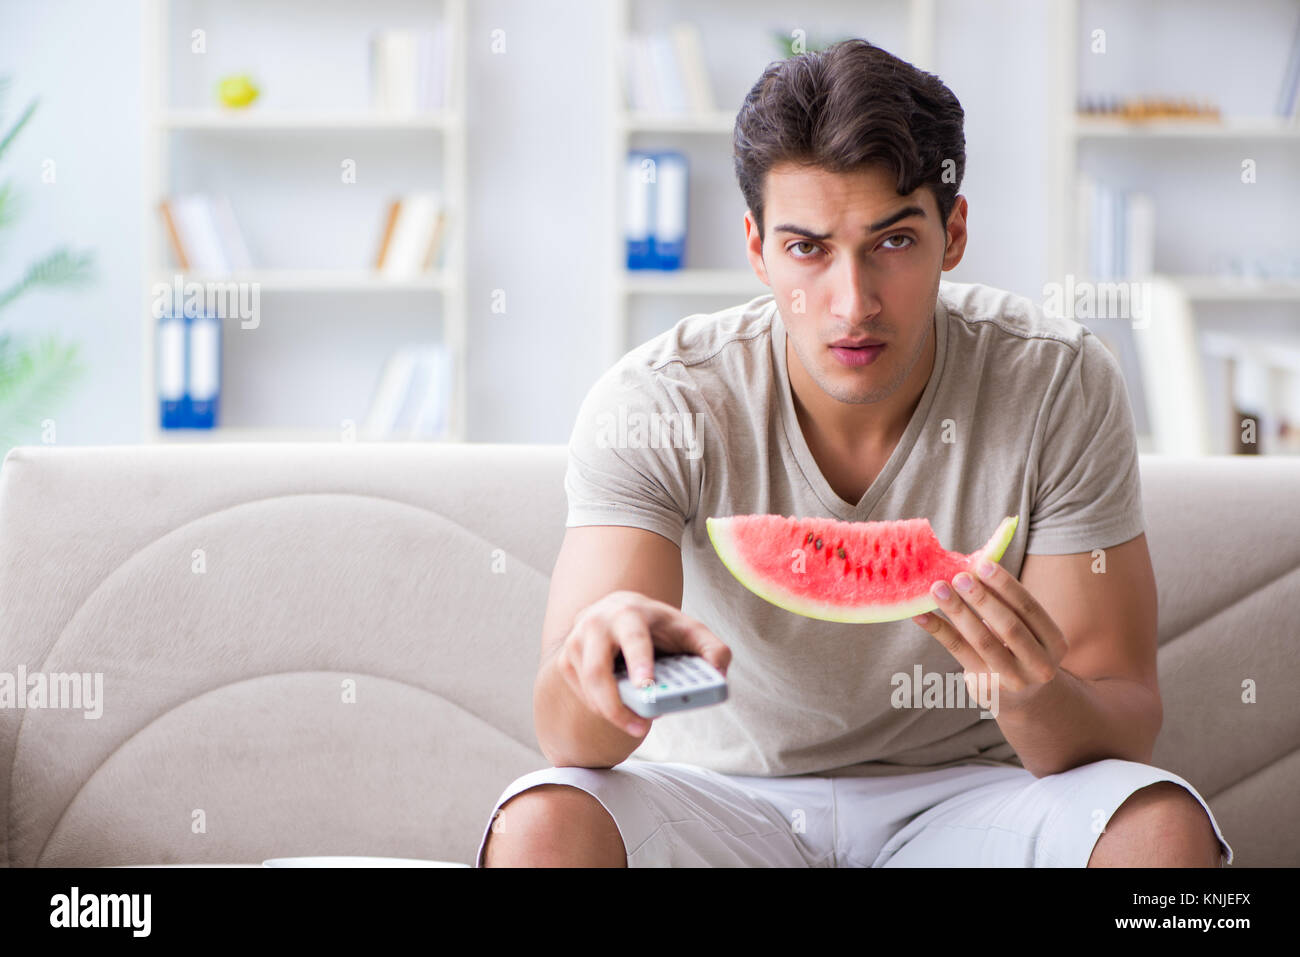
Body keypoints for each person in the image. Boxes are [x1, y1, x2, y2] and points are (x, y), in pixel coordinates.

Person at [477, 37, 1232, 867]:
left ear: (953, 232)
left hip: (971, 795)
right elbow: (562, 731)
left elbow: (1126, 712)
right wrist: (600, 670)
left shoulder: (1057, 381)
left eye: (894, 242)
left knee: (1162, 830)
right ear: (758, 250)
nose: (852, 303)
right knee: (541, 824)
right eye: (808, 248)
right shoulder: (662, 401)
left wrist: (1038, 696)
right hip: (721, 796)